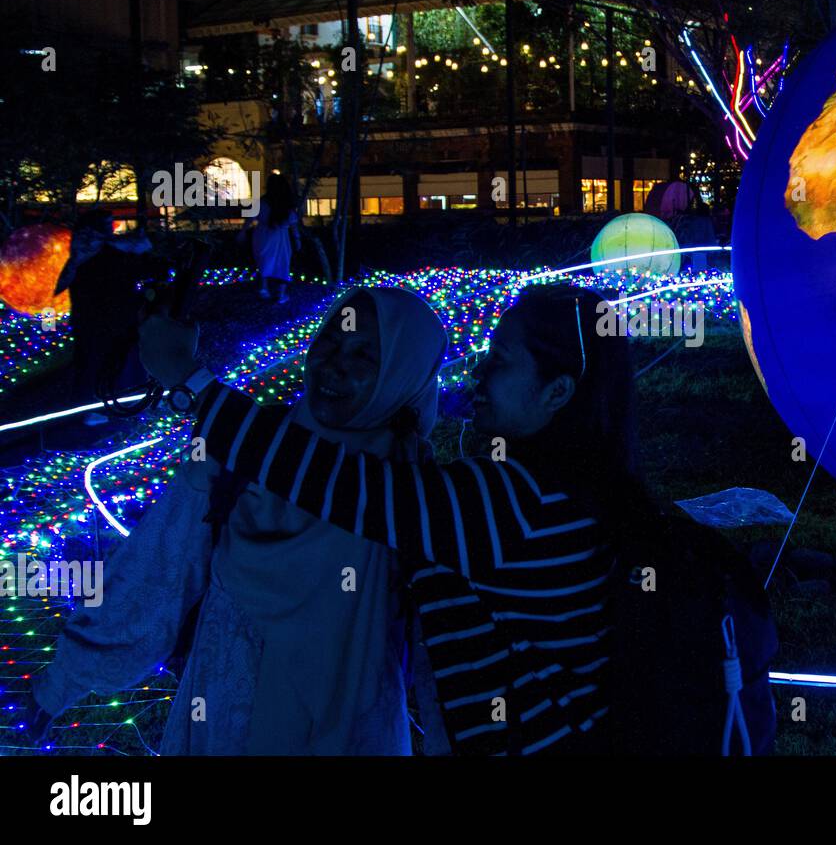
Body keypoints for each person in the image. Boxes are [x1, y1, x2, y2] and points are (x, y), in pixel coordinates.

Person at [136, 283, 646, 754]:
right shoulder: (568, 488)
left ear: (557, 392)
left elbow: (338, 486)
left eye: (500, 360)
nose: (477, 373)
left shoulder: (514, 503)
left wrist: (189, 379)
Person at [26, 286, 449, 755]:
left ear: (404, 373)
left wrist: (190, 378)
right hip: (223, 721)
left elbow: (449, 659)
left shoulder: (413, 494)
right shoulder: (237, 454)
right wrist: (61, 681)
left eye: (365, 356)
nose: (335, 364)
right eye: (330, 341)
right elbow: (158, 569)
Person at [54, 209, 161, 425]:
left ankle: (118, 406)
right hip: (100, 319)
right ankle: (96, 409)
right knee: (97, 363)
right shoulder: (96, 250)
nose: (109, 228)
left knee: (116, 361)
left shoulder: (97, 249)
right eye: (106, 224)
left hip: (113, 318)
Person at [242, 174, 300, 304]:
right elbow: (294, 224)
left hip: (262, 236)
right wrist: (297, 239)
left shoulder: (261, 202)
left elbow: (249, 219)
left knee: (264, 262)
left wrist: (242, 232)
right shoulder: (286, 204)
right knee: (282, 264)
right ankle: (281, 294)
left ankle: (264, 289)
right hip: (281, 238)